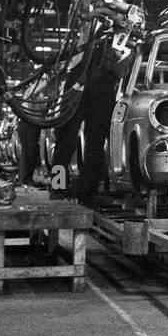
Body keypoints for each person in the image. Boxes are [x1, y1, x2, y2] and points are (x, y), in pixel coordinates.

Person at [52, 33, 134, 206]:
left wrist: (119, 57)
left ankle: (87, 193)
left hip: (103, 88)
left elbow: (121, 72)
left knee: (95, 144)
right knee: (66, 139)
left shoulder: (127, 42)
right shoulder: (90, 32)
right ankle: (57, 187)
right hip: (78, 84)